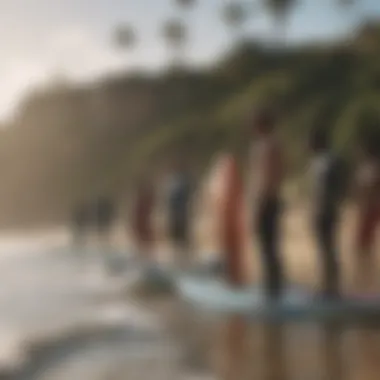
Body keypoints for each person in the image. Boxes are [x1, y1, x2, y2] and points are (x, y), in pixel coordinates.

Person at [250, 107, 285, 300]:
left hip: (267, 200)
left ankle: (272, 289)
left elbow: (265, 176)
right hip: (273, 198)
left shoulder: (266, 145)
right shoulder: (274, 144)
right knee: (271, 244)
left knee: (267, 244)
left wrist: (260, 202)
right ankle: (274, 285)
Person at [308, 126, 347, 299]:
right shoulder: (328, 160)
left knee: (326, 248)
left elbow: (322, 191)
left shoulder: (322, 163)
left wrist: (317, 209)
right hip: (330, 209)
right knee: (329, 247)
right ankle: (331, 286)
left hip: (324, 210)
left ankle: (329, 288)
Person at [354, 129, 380, 257]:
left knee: (363, 241)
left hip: (370, 206)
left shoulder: (370, 167)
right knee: (364, 241)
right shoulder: (370, 166)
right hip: (370, 205)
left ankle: (365, 268)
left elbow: (367, 188)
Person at [167, 159, 193, 269]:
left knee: (181, 237)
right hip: (178, 213)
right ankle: (180, 260)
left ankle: (183, 260)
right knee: (178, 238)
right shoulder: (175, 181)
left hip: (180, 213)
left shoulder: (180, 182)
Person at [131, 178, 155, 262]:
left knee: (145, 244)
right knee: (144, 244)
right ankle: (144, 259)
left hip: (143, 224)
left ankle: (145, 259)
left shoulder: (143, 201)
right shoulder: (142, 201)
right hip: (141, 224)